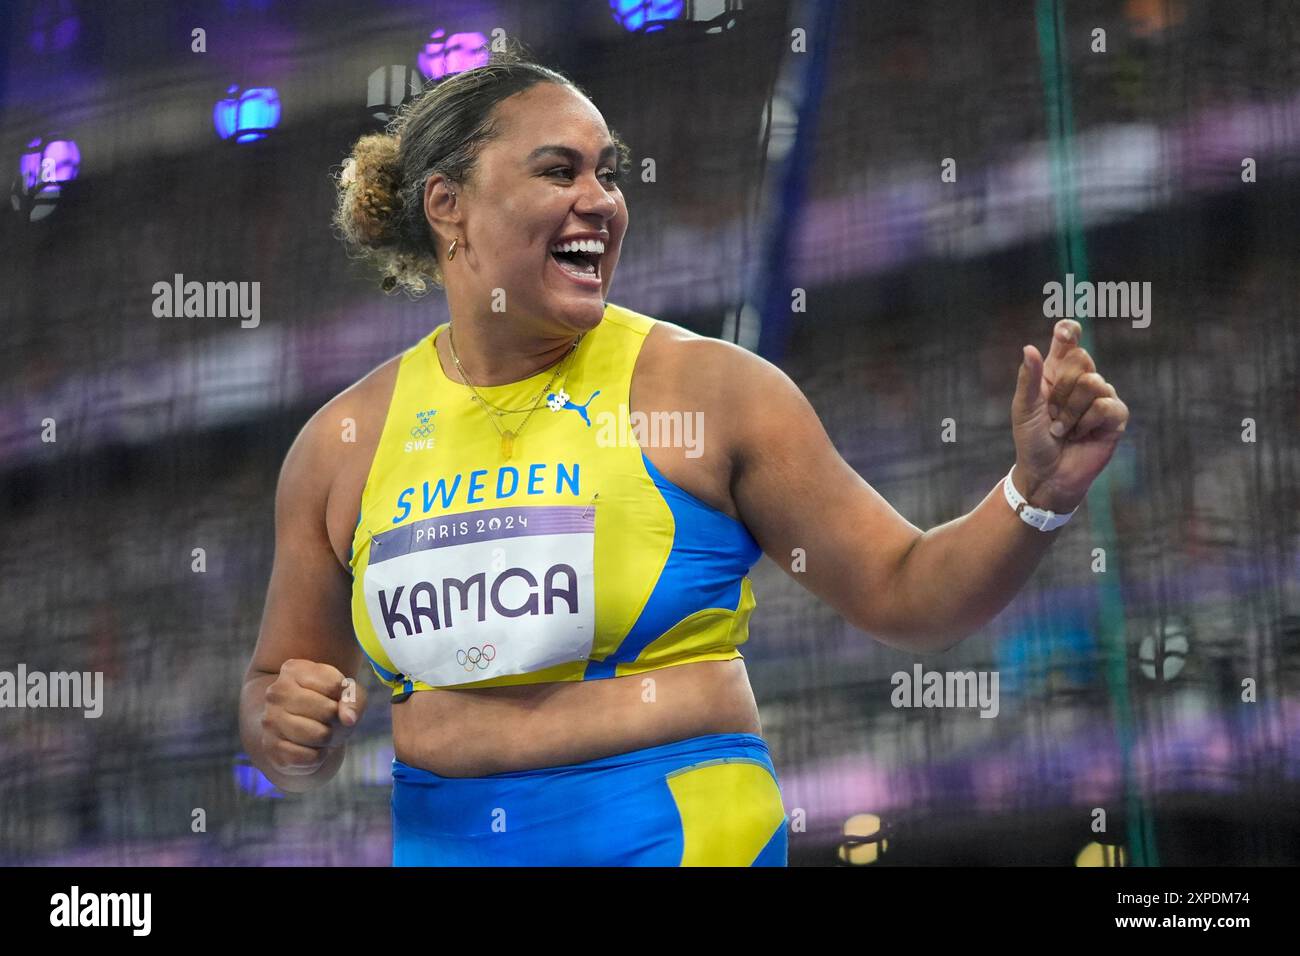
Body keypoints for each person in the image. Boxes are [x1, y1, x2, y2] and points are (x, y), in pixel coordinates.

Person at [238, 52, 1129, 866]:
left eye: (608, 173)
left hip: (677, 833)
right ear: (448, 206)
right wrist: (286, 732)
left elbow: (907, 594)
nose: (601, 199)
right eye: (559, 170)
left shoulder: (711, 392)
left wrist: (1036, 493)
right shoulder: (339, 445)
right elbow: (278, 688)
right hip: (443, 842)